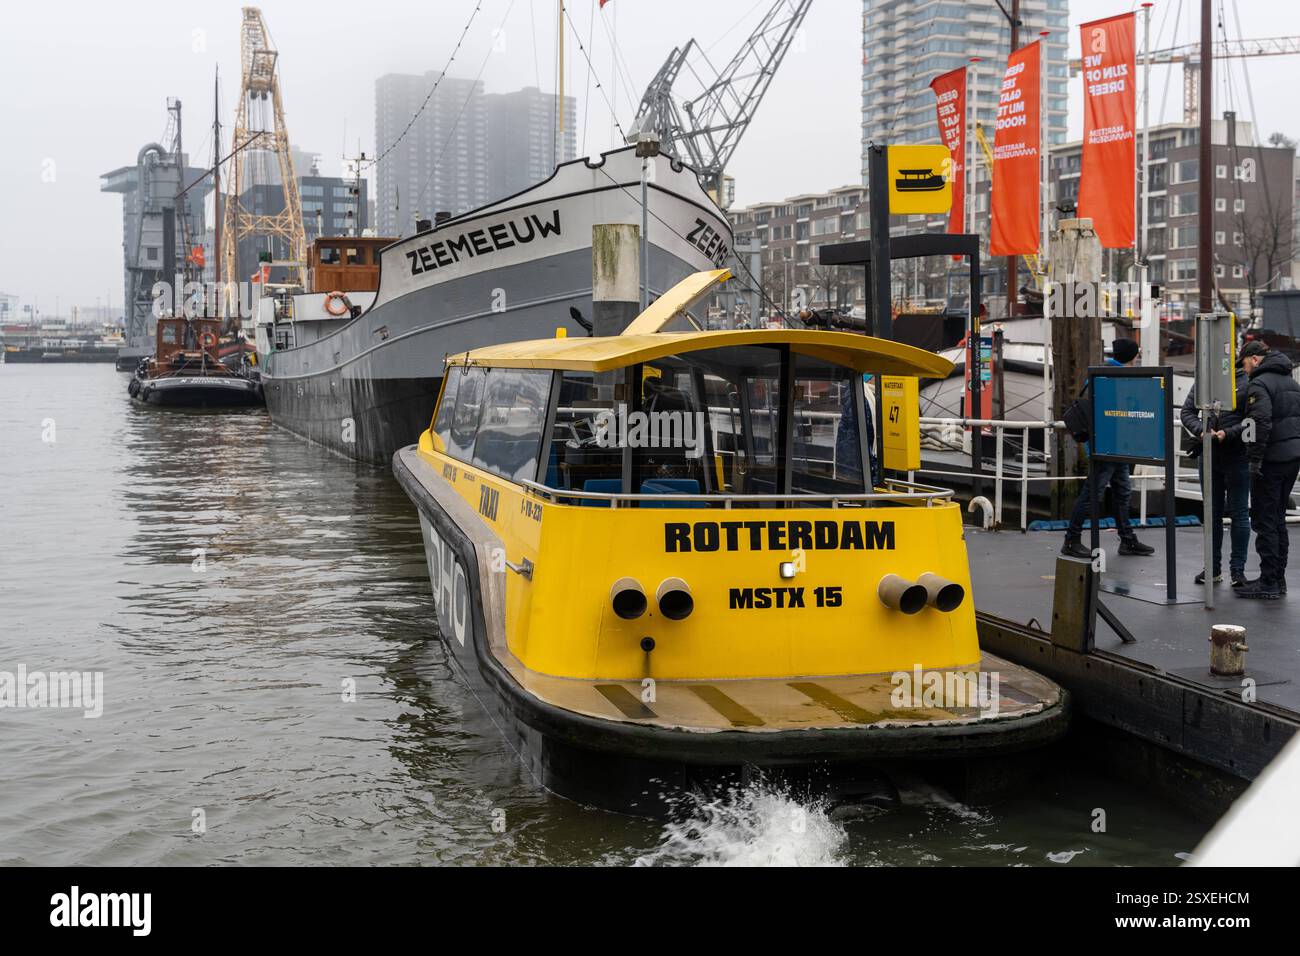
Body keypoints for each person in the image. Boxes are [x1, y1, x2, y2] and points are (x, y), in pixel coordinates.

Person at [1061, 338, 1156, 559]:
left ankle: (1127, 539)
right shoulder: (1119, 376)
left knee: (1121, 490)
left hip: (1110, 444)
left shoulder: (1100, 372)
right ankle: (1071, 540)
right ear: (1132, 356)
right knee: (1093, 493)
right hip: (1109, 446)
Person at [1236, 340, 1300, 600]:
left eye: (1244, 364)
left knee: (1264, 520)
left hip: (1271, 460)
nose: (1245, 370)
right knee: (1278, 519)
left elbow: (1258, 421)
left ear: (1253, 359)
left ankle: (1268, 582)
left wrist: (1254, 459)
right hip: (1292, 458)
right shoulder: (1292, 383)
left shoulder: (1259, 384)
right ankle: (1277, 578)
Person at [1180, 367, 1251, 586]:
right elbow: (1186, 412)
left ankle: (1237, 571)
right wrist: (1202, 431)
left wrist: (1226, 434)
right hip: (1210, 456)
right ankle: (1213, 569)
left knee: (1239, 513)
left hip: (1238, 456)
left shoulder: (1247, 384)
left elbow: (1251, 420)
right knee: (1212, 514)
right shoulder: (1204, 380)